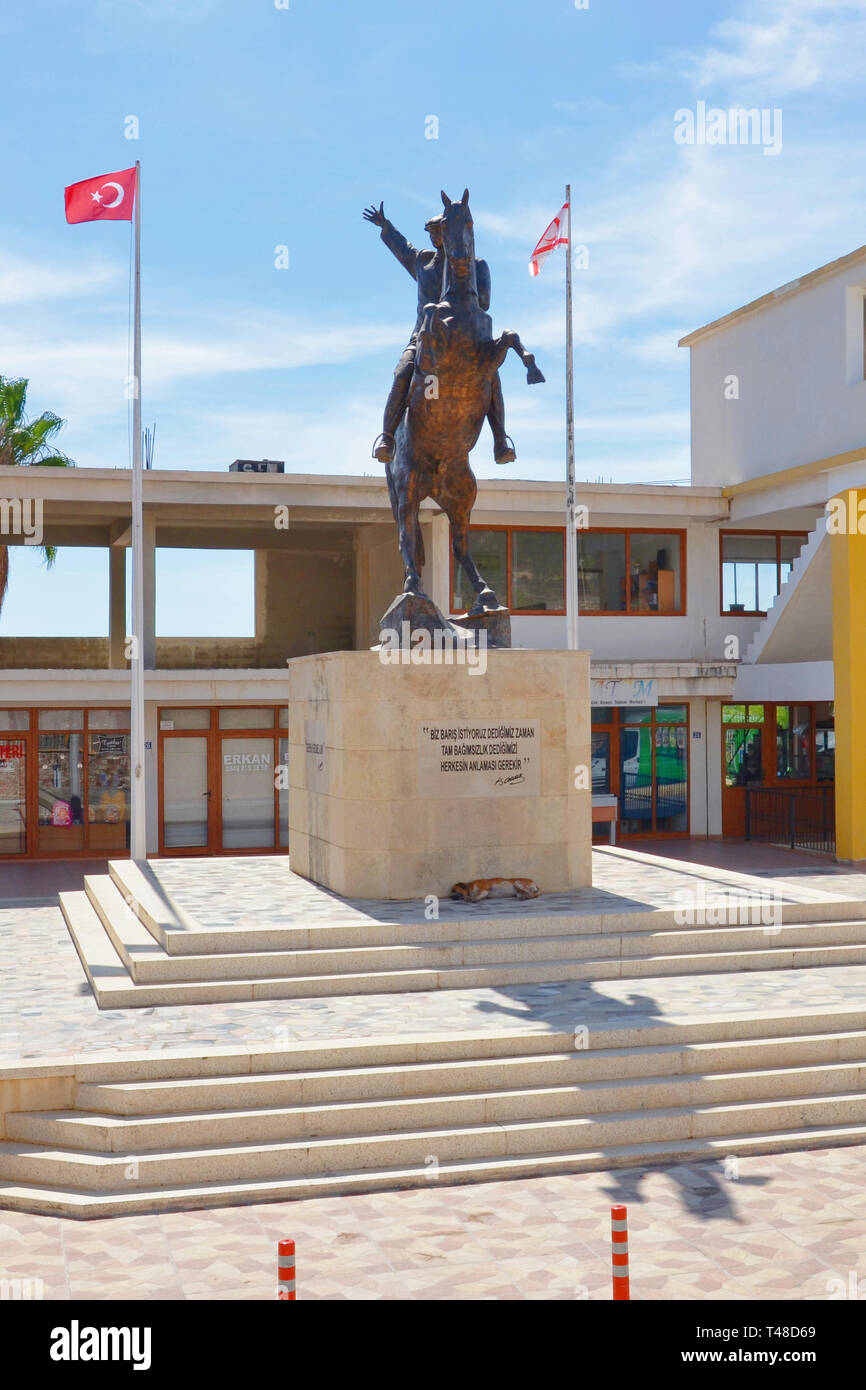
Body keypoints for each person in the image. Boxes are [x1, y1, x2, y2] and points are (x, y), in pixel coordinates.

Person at [363, 201, 515, 465]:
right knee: (402, 373)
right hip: (425, 337)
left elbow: (486, 303)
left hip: (468, 338)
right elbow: (402, 248)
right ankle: (387, 436)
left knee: (492, 375)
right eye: (430, 231)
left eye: (438, 230)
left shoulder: (475, 266)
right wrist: (386, 226)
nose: (434, 236)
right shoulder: (423, 261)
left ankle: (500, 439)